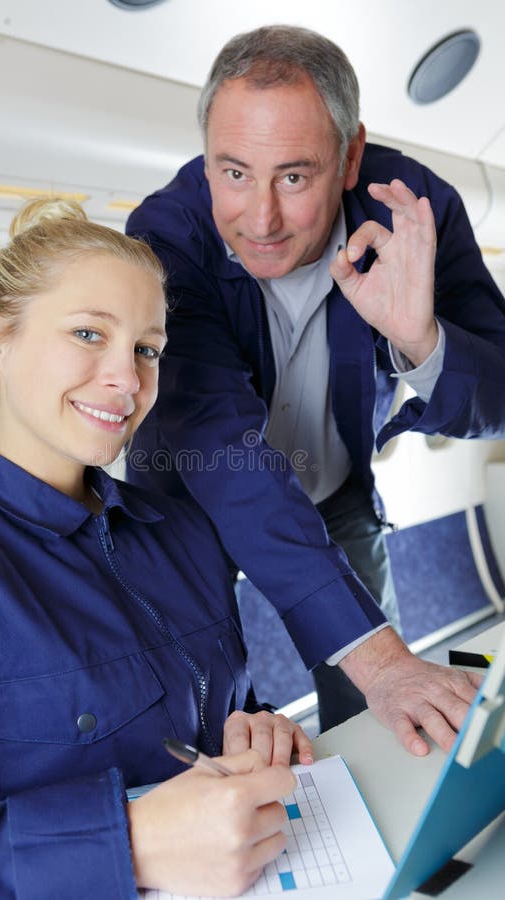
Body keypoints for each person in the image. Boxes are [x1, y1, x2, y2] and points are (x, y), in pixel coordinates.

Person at [0, 197, 315, 899]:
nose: (128, 380)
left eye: (146, 349)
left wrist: (257, 729)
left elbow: (223, 704)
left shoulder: (185, 535)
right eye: (90, 334)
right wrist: (126, 845)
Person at [126, 25, 505, 733]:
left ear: (351, 154)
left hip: (337, 496)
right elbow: (221, 451)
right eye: (233, 172)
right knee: (200, 721)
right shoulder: (168, 236)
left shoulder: (411, 209)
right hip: (194, 505)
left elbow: (501, 397)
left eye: (294, 176)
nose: (260, 219)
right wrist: (379, 657)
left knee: (377, 714)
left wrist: (420, 340)